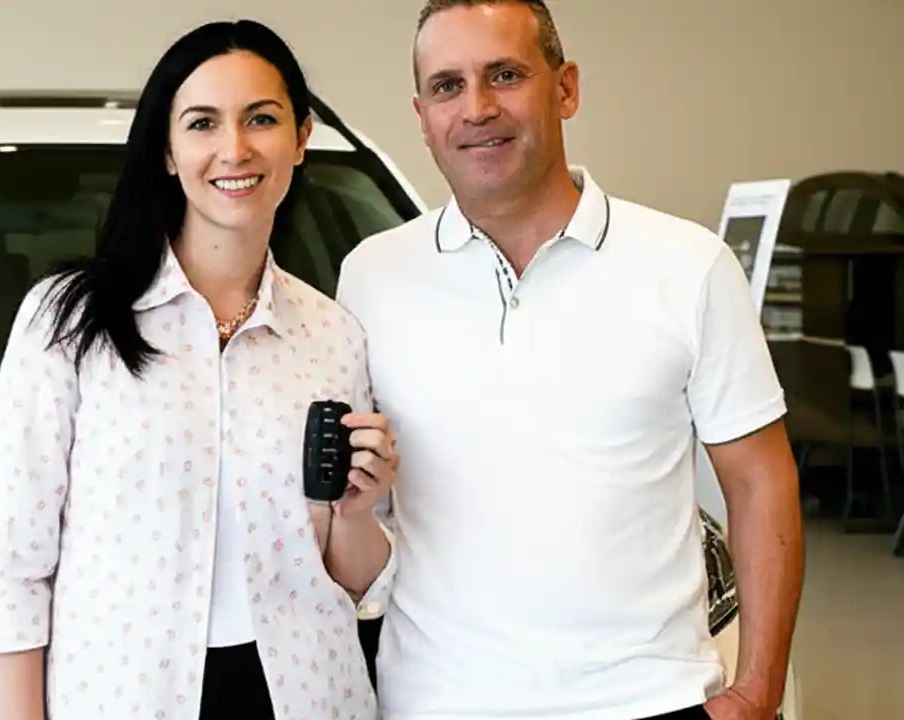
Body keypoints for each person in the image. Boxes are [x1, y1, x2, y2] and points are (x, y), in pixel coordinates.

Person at [335, 1, 804, 719]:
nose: (477, 107)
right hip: (435, 703)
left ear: (566, 88)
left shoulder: (689, 266)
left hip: (649, 700)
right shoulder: (372, 276)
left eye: (505, 74)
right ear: (423, 115)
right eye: (448, 86)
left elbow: (759, 480)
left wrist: (760, 690)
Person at [0, 19, 399, 720]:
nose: (235, 149)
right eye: (202, 123)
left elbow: (356, 580)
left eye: (262, 119)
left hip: (308, 694)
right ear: (166, 150)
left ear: (301, 138)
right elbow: (10, 570)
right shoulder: (69, 323)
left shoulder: (333, 335)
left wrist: (355, 510)